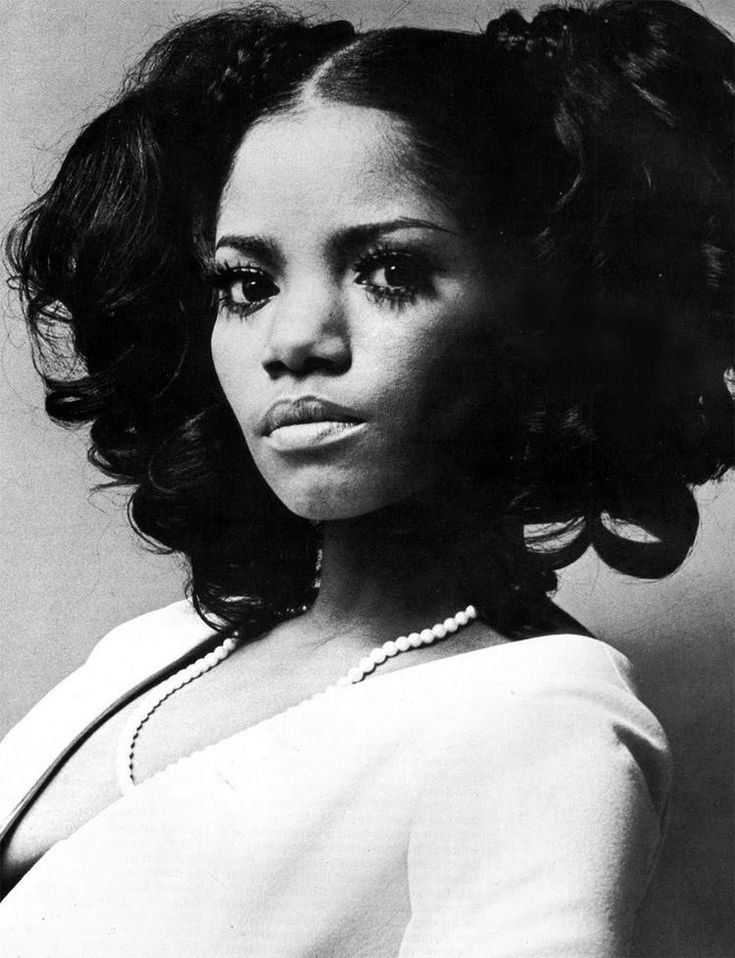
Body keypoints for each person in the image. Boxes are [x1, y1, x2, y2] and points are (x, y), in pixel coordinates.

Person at [0, 0, 731, 954]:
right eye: (246, 284)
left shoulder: (540, 719)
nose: (294, 339)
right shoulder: (159, 647)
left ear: (541, 312)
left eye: (388, 270)